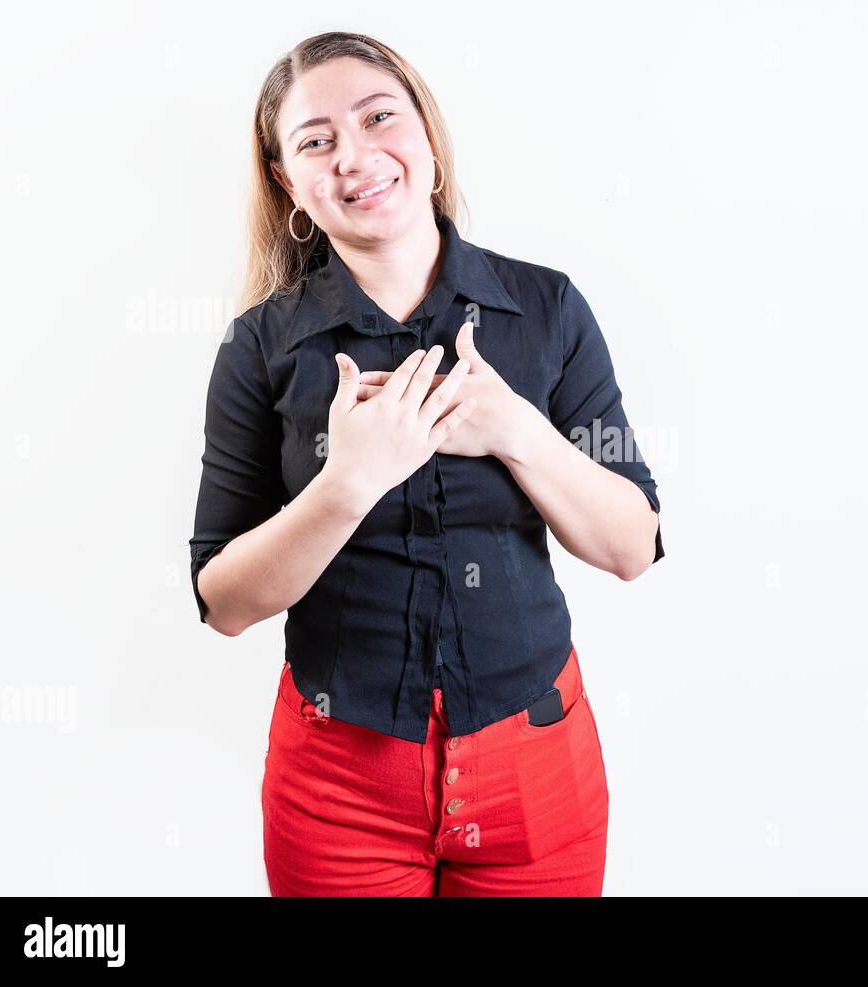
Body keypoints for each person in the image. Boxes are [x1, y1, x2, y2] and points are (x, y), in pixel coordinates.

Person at [188, 31, 664, 896]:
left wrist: (518, 429)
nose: (355, 156)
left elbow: (634, 544)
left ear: (428, 140)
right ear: (292, 186)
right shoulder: (260, 347)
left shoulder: (547, 309)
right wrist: (347, 484)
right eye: (317, 140)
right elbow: (222, 602)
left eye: (378, 118)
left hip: (535, 764)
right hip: (337, 786)